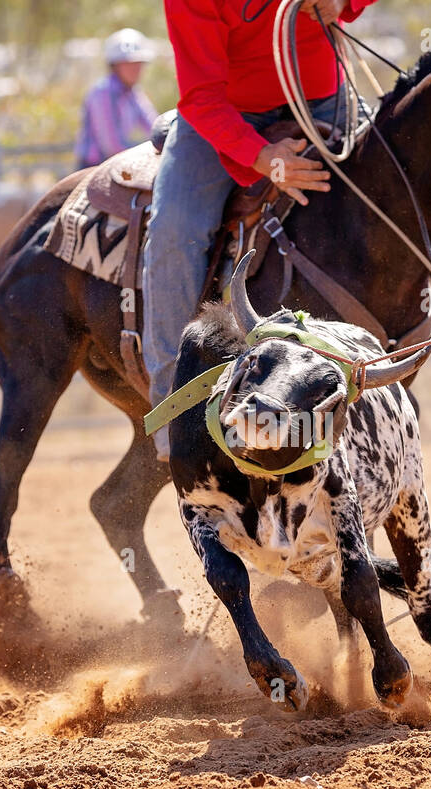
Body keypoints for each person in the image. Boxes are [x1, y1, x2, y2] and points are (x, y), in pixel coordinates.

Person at [143, 0, 377, 460]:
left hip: (326, 99)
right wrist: (264, 157)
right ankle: (174, 411)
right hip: (225, 116)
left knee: (401, 178)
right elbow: (202, 97)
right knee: (175, 233)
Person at [76, 28, 159, 170]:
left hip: (115, 164)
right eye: (129, 64)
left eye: (139, 64)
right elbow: (111, 145)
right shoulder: (103, 92)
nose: (136, 69)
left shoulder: (133, 93)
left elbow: (154, 125)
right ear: (115, 66)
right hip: (92, 168)